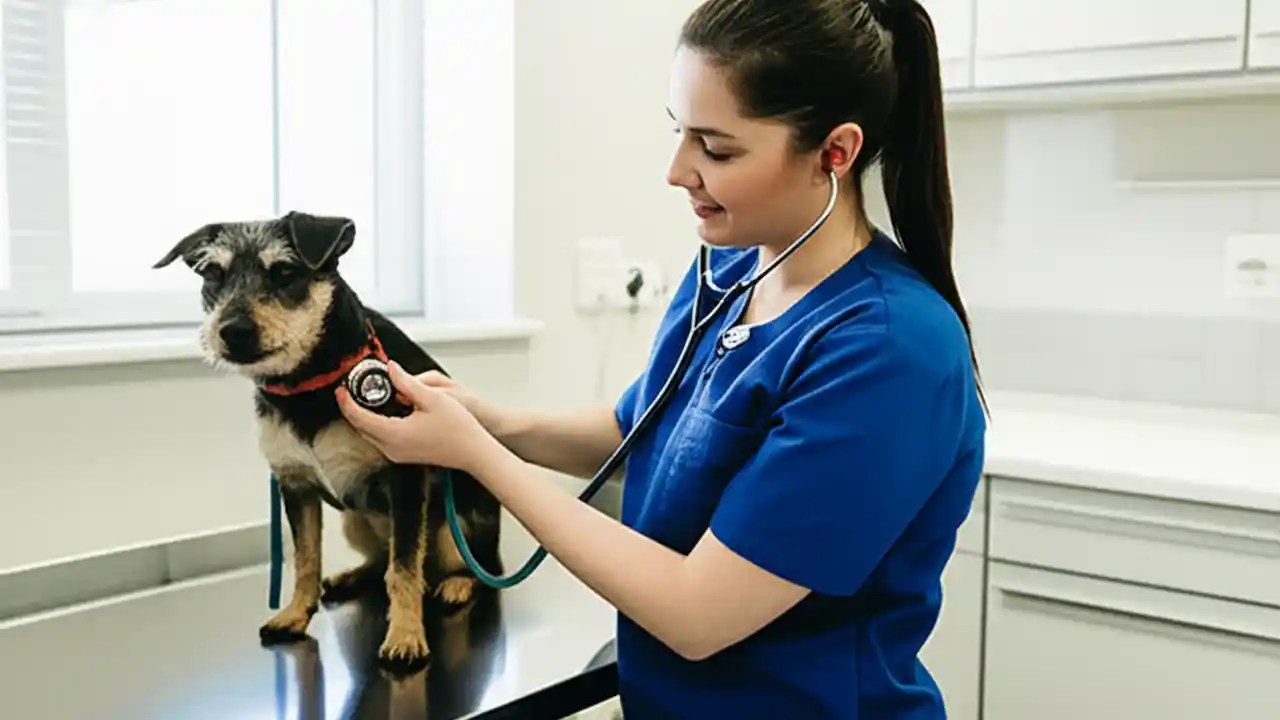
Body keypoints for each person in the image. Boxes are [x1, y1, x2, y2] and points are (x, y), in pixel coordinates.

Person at [336, 0, 987, 716]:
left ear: (835, 152)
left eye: (717, 148)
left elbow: (697, 615)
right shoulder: (732, 269)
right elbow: (640, 430)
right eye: (679, 132)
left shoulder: (890, 351)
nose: (678, 171)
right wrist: (488, 420)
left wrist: (478, 458)